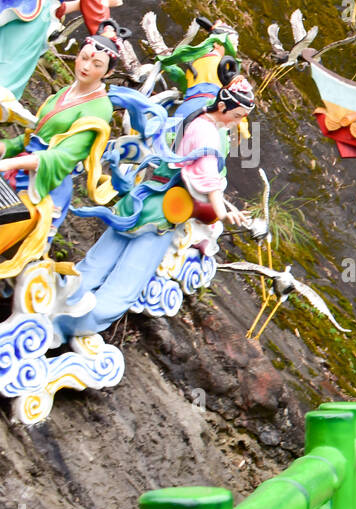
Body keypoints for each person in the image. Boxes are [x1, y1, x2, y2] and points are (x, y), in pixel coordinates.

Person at [54, 74, 254, 341]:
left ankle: (55, 301)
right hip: (164, 212)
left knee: (95, 264)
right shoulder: (208, 134)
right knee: (124, 286)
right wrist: (222, 210)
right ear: (223, 107)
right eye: (238, 115)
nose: (238, 122)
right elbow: (208, 177)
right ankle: (70, 327)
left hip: (143, 197)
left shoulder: (193, 117)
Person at [0, 30, 118, 277]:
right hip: (22, 165)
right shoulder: (64, 91)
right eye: (84, 57)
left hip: (45, 183)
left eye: (96, 64)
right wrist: (6, 148)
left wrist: (7, 163)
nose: (86, 66)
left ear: (108, 73)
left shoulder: (100, 108)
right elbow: (33, 135)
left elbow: (62, 157)